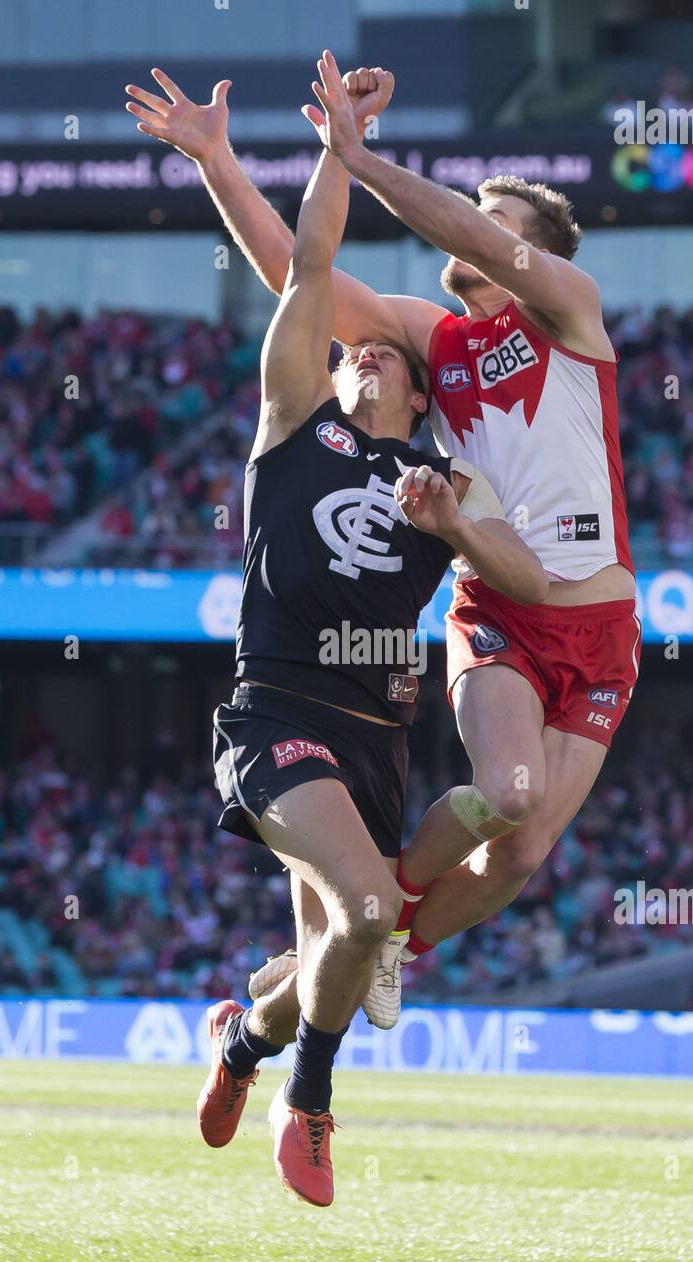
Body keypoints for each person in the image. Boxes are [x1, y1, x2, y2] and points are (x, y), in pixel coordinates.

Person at [125, 50, 639, 1032]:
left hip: (602, 624)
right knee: (507, 790)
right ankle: (368, 930)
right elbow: (296, 275)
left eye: (492, 219)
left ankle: (385, 930)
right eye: (474, 210)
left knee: (522, 852)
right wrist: (217, 162)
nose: (470, 223)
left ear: (523, 249)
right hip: (500, 609)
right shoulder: (430, 343)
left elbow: (451, 224)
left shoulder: (570, 310)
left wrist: (359, 159)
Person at [193, 91, 546, 1205]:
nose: (367, 359)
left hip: (378, 736)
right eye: (357, 353)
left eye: (388, 355)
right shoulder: (292, 420)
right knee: (358, 915)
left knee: (347, 938)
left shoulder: (444, 482)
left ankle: (245, 1041)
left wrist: (451, 526)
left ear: (415, 384)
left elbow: (525, 579)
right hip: (278, 712)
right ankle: (308, 1104)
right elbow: (307, 263)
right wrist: (305, 153)